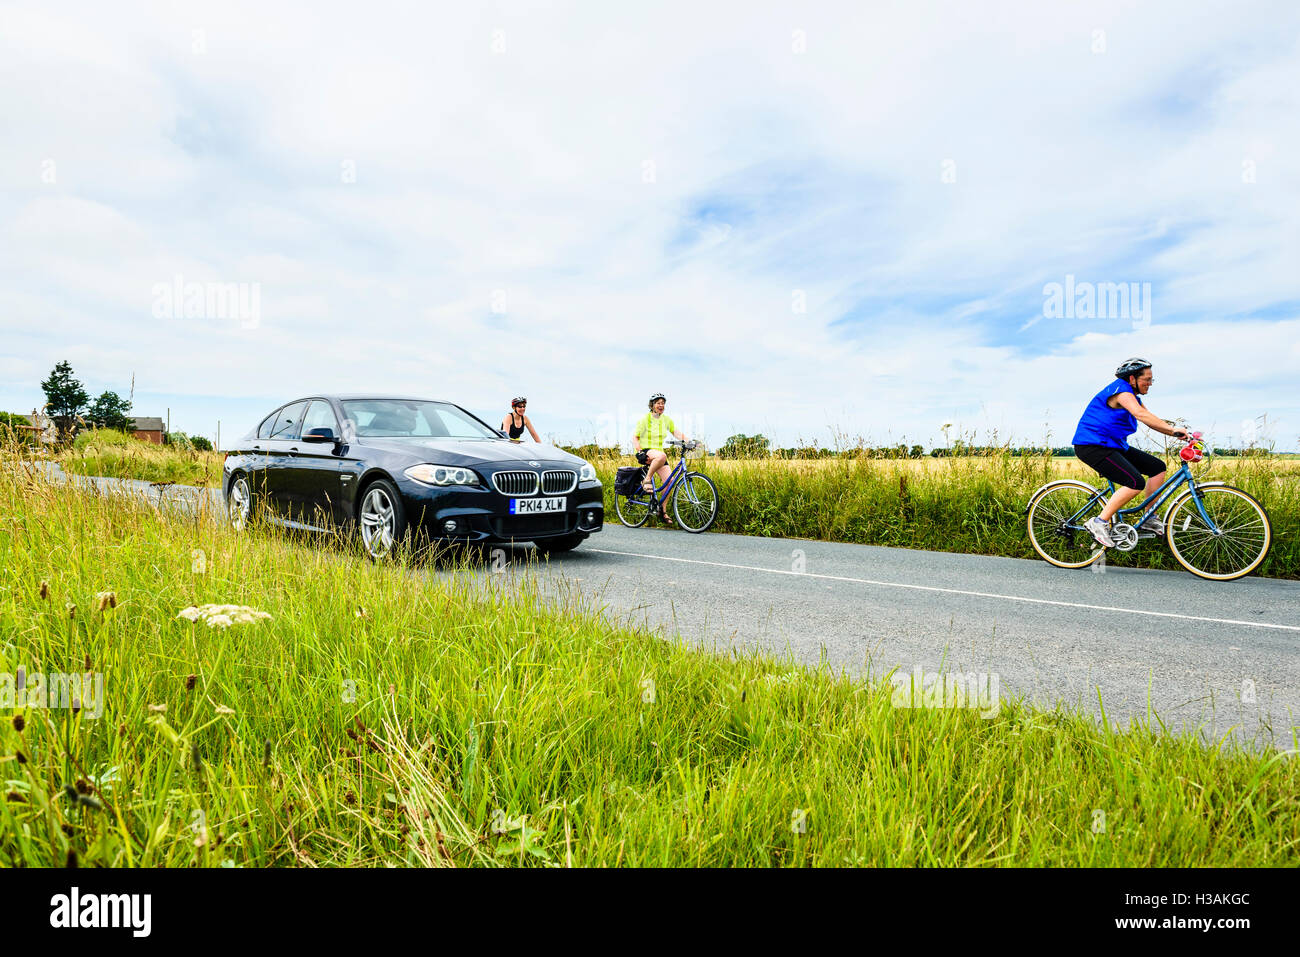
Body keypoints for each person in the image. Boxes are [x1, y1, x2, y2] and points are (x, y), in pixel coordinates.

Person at [1072, 358, 1192, 548]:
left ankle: (1149, 517)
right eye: (1147, 379)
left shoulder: (1134, 398)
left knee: (1157, 468)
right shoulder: (1121, 391)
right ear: (1132, 378)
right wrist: (1172, 430)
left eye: (1152, 379)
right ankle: (1098, 523)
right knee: (1135, 482)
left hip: (1114, 445)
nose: (1150, 383)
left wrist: (1177, 433)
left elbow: (1149, 418)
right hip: (1093, 445)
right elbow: (1140, 414)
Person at [634, 392, 689, 524]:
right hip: (646, 451)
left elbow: (677, 433)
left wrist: (690, 441)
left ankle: (662, 511)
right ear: (652, 405)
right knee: (662, 456)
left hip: (659, 455)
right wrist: (639, 451)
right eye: (658, 403)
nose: (661, 405)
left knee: (670, 482)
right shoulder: (645, 419)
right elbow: (635, 437)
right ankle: (647, 480)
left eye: (663, 403)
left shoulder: (666, 420)